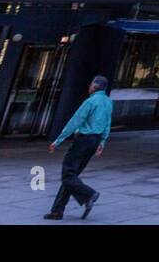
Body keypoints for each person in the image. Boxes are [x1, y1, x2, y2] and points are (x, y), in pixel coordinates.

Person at [44, 75, 112, 220]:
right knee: (72, 177)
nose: (89, 87)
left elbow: (75, 121)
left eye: (90, 84)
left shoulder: (90, 102)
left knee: (68, 174)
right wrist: (102, 142)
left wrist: (58, 140)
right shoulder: (108, 102)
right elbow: (108, 123)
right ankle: (57, 211)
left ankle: (89, 194)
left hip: (83, 140)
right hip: (94, 141)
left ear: (94, 86)